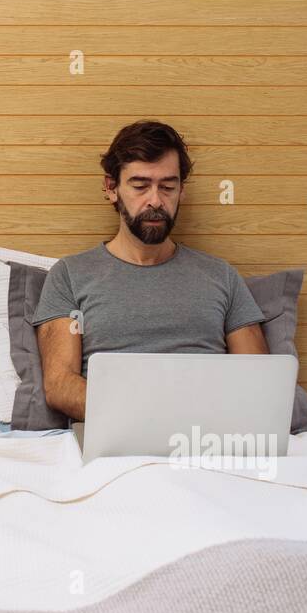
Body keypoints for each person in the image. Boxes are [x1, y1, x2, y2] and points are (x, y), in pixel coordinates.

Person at [33, 120, 269, 421]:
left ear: (181, 190)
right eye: (140, 186)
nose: (155, 201)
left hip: (207, 434)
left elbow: (259, 381)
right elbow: (60, 385)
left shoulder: (221, 275)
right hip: (118, 431)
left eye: (167, 187)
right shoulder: (69, 275)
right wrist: (146, 417)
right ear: (111, 188)